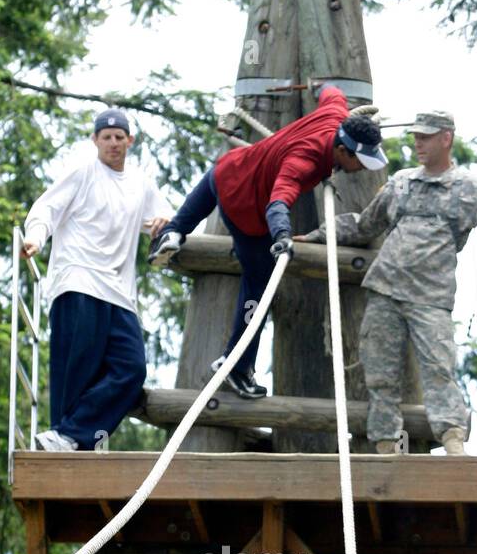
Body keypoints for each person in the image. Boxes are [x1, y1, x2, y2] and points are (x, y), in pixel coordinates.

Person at [296, 110, 477, 456]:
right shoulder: (401, 183)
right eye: (416, 136)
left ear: (447, 138)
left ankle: (453, 441)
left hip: (430, 299)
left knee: (439, 370)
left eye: (426, 137)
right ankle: (385, 444)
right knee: (380, 374)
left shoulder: (472, 190)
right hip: (385, 290)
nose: (418, 143)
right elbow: (365, 224)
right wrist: (318, 234)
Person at [147, 87, 387, 399]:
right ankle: (236, 364)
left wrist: (317, 88)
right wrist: (282, 237)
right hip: (245, 207)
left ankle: (176, 231)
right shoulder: (307, 160)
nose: (362, 169)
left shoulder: (335, 115)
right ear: (342, 151)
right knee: (258, 285)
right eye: (361, 161)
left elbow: (332, 93)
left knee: (217, 175)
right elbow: (278, 201)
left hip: (230, 168)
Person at [21, 107, 171, 451]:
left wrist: (166, 224)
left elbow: (165, 217)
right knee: (77, 366)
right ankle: (63, 437)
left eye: (120, 137)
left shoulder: (140, 183)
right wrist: (36, 237)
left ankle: (70, 435)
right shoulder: (82, 172)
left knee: (131, 368)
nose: (113, 143)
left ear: (130, 141)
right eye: (107, 137)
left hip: (119, 293)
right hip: (77, 279)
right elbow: (47, 208)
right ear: (95, 140)